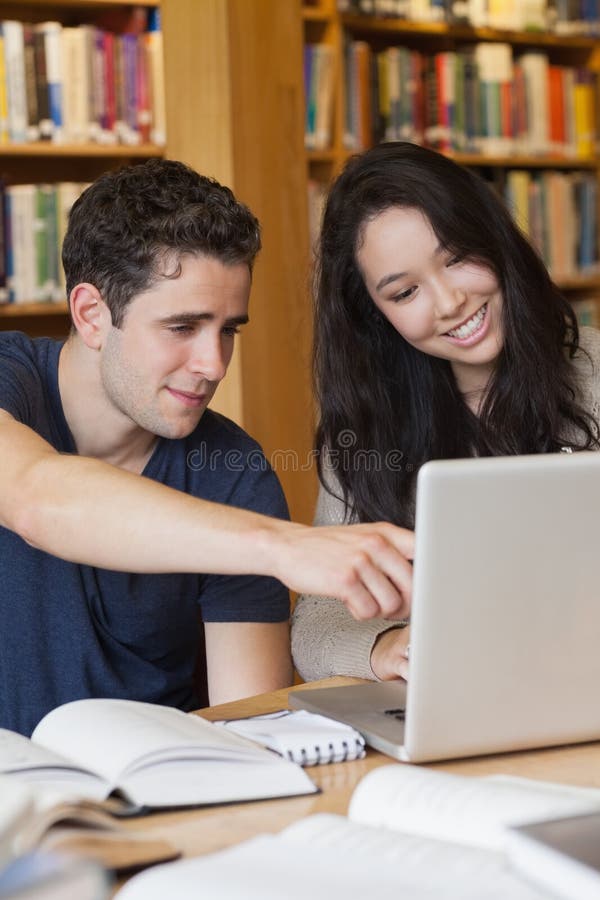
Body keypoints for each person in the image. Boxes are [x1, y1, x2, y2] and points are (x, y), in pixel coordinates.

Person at [0, 158, 415, 736]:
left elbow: (255, 726)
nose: (212, 364)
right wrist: (282, 547)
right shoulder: (7, 382)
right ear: (92, 315)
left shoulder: (235, 472)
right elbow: (32, 496)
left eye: (228, 330)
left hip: (152, 797)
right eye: (182, 327)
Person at [292, 141, 600, 684]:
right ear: (376, 315)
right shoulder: (367, 426)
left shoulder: (593, 373)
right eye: (406, 291)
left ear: (494, 240)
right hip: (461, 698)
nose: (450, 302)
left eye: (456, 258)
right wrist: (386, 647)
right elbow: (315, 624)